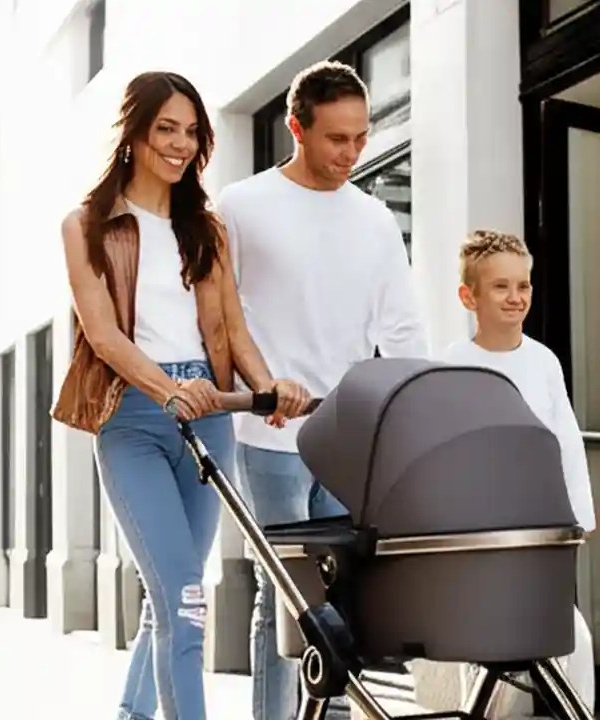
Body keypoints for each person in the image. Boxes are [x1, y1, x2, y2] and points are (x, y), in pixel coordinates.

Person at [51, 71, 311, 720]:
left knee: (174, 596)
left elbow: (234, 328)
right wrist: (169, 391)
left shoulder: (208, 229)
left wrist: (264, 386)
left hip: (209, 424)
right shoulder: (85, 225)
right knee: (186, 606)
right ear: (133, 133)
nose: (180, 143)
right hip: (134, 417)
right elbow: (105, 337)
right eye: (165, 127)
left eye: (191, 131)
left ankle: (132, 714)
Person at [215, 60, 429, 720]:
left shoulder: (372, 220)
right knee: (283, 595)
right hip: (267, 435)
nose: (353, 152)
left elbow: (401, 326)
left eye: (361, 137)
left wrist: (409, 414)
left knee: (341, 597)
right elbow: (220, 318)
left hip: (348, 438)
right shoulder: (242, 207)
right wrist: (247, 389)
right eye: (338, 138)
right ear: (295, 127)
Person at [438, 229, 597, 716]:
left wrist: (579, 518)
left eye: (523, 285)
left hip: (541, 534)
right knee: (491, 658)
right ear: (469, 296)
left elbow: (565, 440)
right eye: (501, 286)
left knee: (573, 643)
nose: (516, 297)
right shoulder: (452, 365)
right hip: (477, 539)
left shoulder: (544, 361)